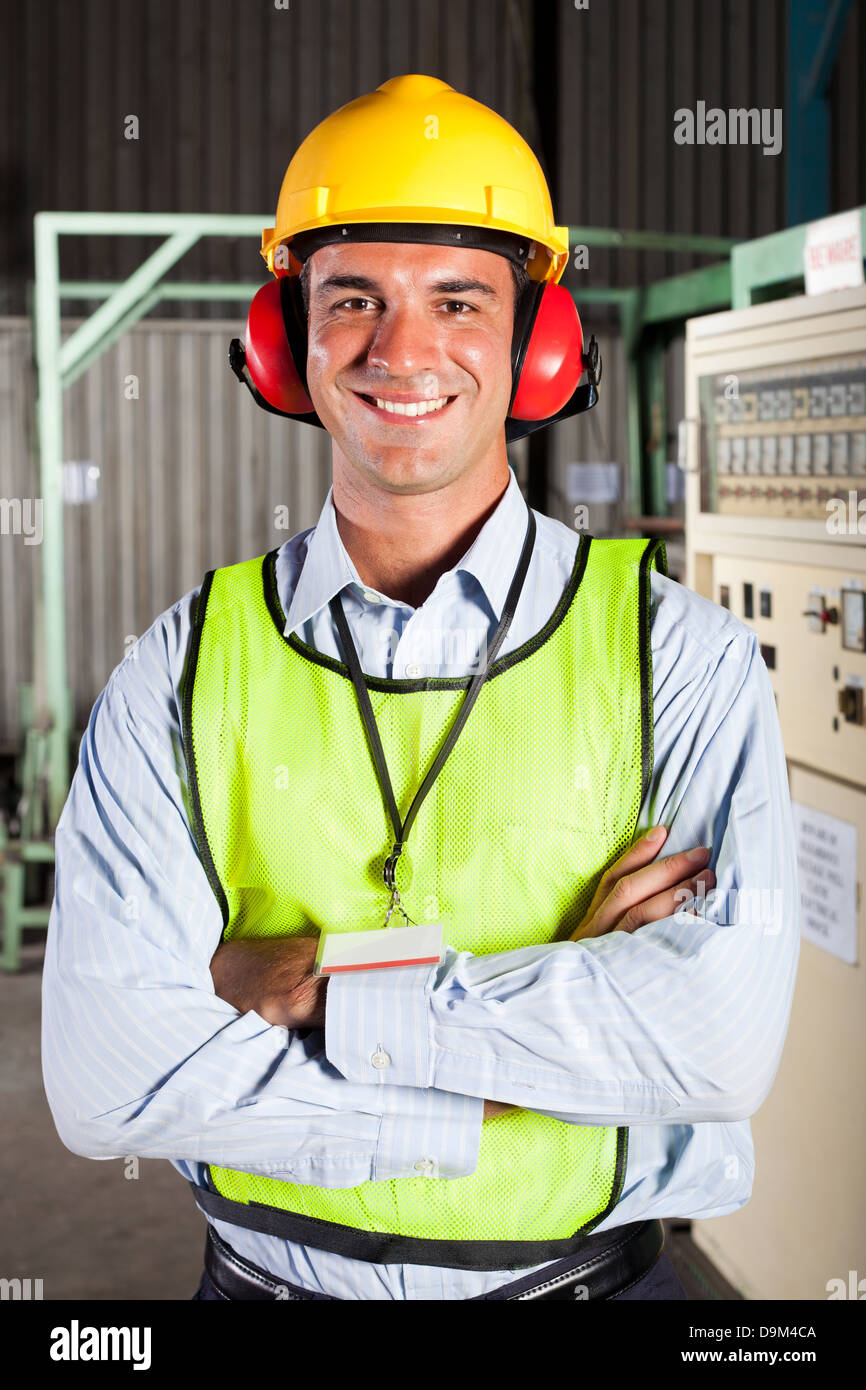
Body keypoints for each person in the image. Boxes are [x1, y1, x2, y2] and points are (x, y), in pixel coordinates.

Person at [42, 75, 800, 1302]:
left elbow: (709, 1046)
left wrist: (287, 988)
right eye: (352, 301)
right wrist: (552, 1007)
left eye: (456, 300)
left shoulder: (683, 659)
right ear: (288, 340)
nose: (401, 352)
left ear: (536, 343)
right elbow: (106, 1081)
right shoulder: (176, 670)